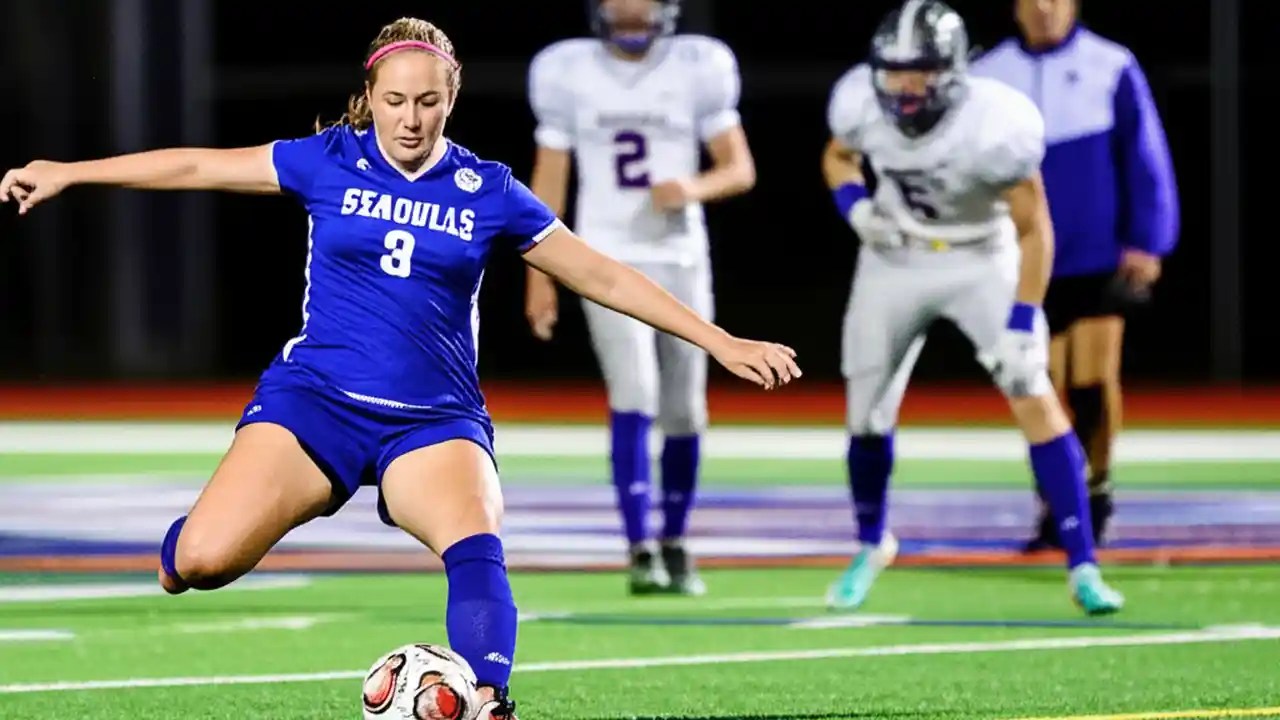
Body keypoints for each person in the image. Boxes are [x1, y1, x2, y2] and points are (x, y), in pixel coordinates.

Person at [0, 16, 800, 720]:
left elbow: (604, 275)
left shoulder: (489, 191)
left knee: (476, 539)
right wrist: (72, 173)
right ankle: (227, 528)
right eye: (395, 101)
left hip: (433, 420)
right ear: (369, 96)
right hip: (315, 404)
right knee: (201, 564)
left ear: (450, 98)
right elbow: (195, 167)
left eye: (428, 102)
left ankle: (489, 699)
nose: (410, 119)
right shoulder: (325, 160)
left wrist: (719, 340)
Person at [820, 0, 1122, 615]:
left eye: (922, 70)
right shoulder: (859, 101)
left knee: (1032, 388)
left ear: (954, 71)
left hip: (981, 258)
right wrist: (855, 208)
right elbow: (836, 156)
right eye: (895, 70)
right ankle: (871, 542)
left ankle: (1084, 565)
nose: (905, 85)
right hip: (896, 258)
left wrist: (1021, 317)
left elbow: (1036, 228)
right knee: (865, 411)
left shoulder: (995, 121)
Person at [523, 0, 757, 596]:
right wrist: (540, 271)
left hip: (680, 257)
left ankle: (676, 541)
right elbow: (551, 175)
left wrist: (693, 187)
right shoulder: (568, 71)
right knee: (636, 393)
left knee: (686, 409)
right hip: (604, 256)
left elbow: (739, 168)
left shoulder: (698, 66)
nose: (631, 12)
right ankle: (640, 548)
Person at [970, 0, 1180, 552]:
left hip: (1093, 254)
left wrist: (1147, 240)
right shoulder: (988, 76)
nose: (1045, 9)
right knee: (1039, 384)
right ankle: (1057, 508)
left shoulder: (1110, 64)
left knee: (1091, 383)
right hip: (1020, 260)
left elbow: (1144, 153)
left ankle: (1098, 492)